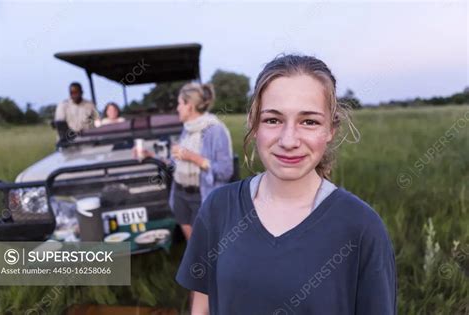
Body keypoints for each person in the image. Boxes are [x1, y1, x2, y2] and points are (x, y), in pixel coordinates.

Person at [175, 55, 397, 314]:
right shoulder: (218, 208)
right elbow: (202, 303)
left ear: (330, 130)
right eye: (273, 119)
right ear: (254, 124)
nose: (289, 140)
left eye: (309, 121)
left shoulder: (361, 227)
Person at [136, 83, 234, 241]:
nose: (177, 108)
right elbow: (175, 162)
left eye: (180, 103)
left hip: (201, 195)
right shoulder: (187, 129)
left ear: (190, 106)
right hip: (180, 193)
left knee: (206, 246)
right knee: (193, 245)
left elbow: (225, 171)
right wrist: (151, 155)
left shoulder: (215, 130)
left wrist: (193, 157)